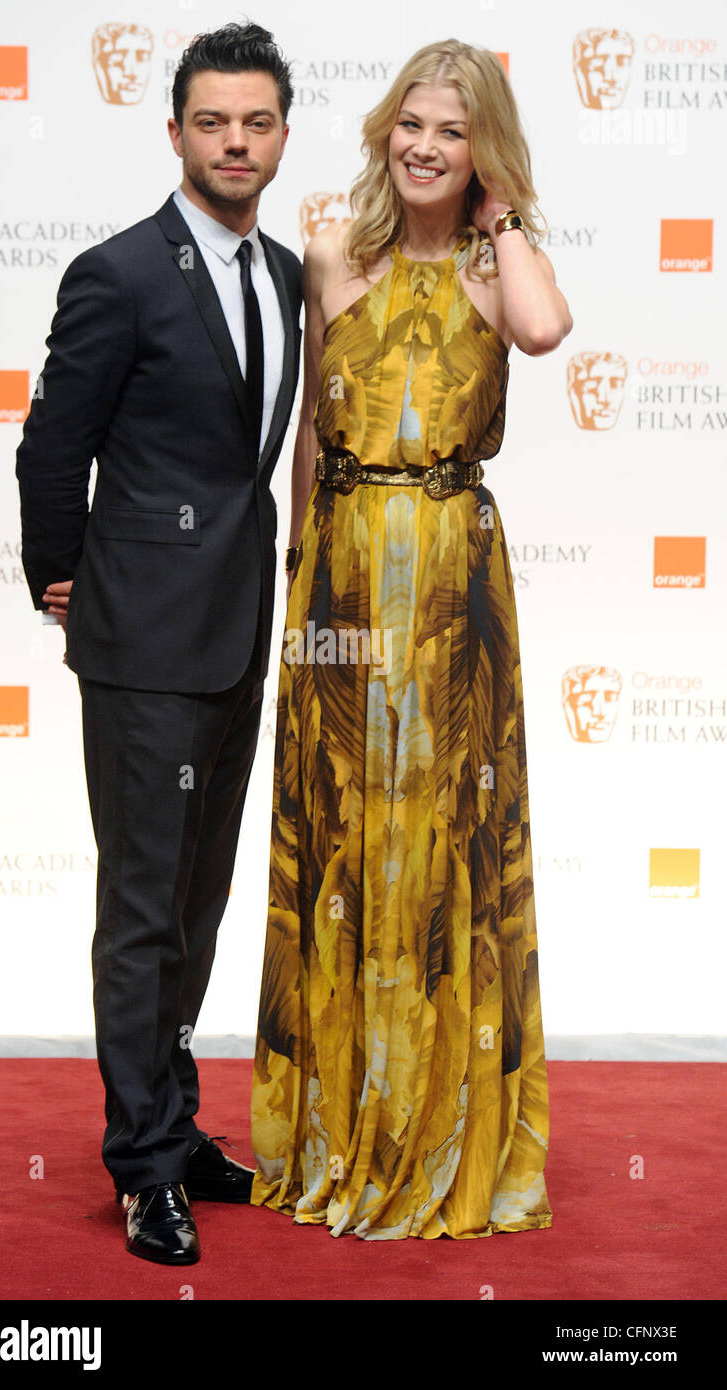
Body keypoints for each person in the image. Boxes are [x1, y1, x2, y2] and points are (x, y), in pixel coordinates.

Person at [250, 39, 572, 1240]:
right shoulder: (335, 250)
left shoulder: (499, 265)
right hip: (339, 574)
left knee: (445, 843)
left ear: (482, 149)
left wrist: (507, 208)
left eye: (453, 131)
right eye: (413, 126)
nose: (426, 148)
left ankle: (442, 1128)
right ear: (387, 130)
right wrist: (295, 574)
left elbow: (542, 331)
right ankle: (338, 1124)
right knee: (342, 836)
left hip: (451, 584)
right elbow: (307, 437)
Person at [15, 23, 302, 1265]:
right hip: (140, 648)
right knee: (142, 912)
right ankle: (142, 1167)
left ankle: (175, 1126)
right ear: (175, 132)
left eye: (256, 122)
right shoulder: (118, 272)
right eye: (211, 122)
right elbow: (51, 445)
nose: (234, 142)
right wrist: (62, 576)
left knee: (196, 906)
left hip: (236, 638)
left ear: (282, 133)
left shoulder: (289, 274)